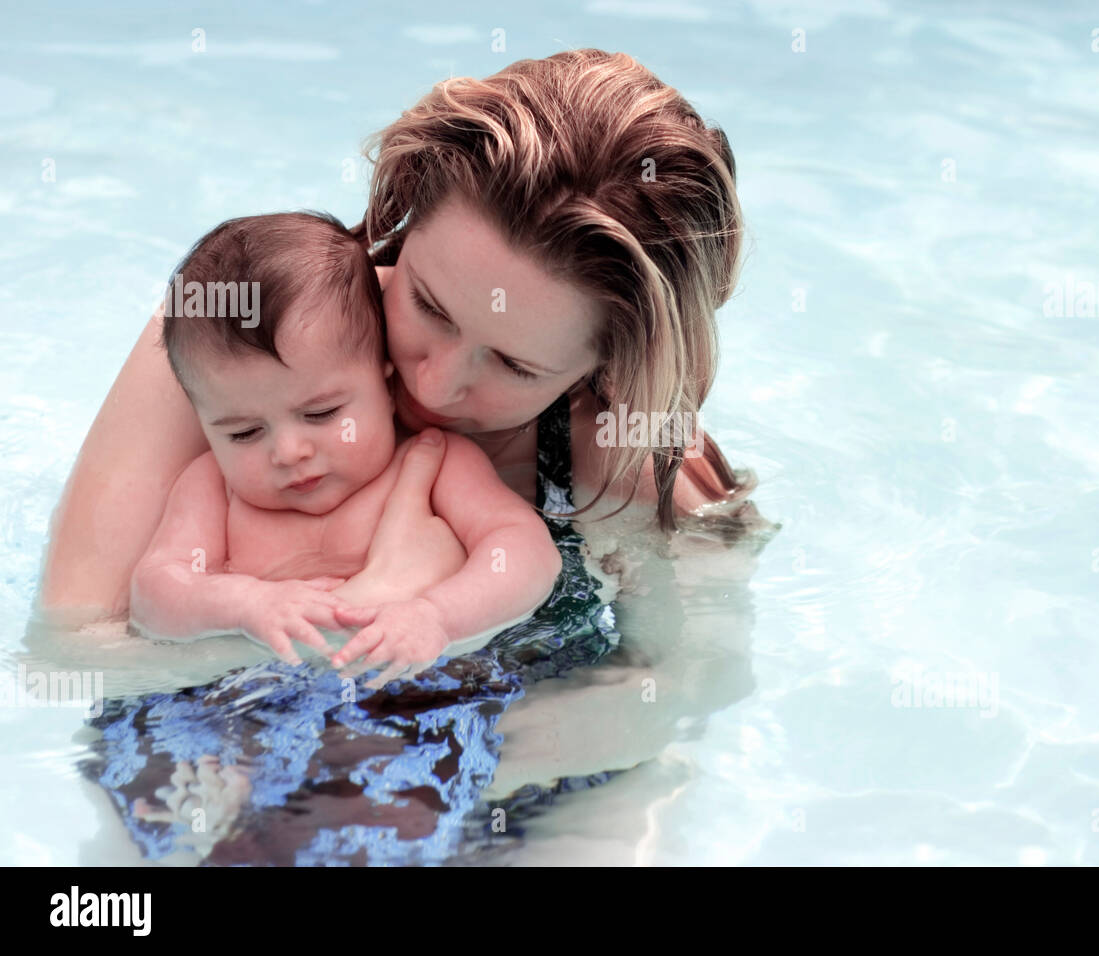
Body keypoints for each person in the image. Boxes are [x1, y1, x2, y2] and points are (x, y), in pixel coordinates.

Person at [53, 49, 766, 863]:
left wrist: (435, 760)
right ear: (401, 211)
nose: (436, 379)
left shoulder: (629, 455)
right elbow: (78, 647)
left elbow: (683, 687)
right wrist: (354, 614)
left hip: (485, 760)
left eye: (515, 365)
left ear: (603, 369)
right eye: (427, 302)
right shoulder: (238, 341)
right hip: (219, 750)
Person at [132, 210, 559, 682]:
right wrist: (244, 604)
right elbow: (154, 594)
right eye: (244, 433)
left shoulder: (437, 462)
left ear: (385, 380)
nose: (289, 451)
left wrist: (437, 615)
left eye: (321, 414)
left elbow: (526, 553)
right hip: (249, 698)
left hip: (407, 689)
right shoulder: (213, 486)